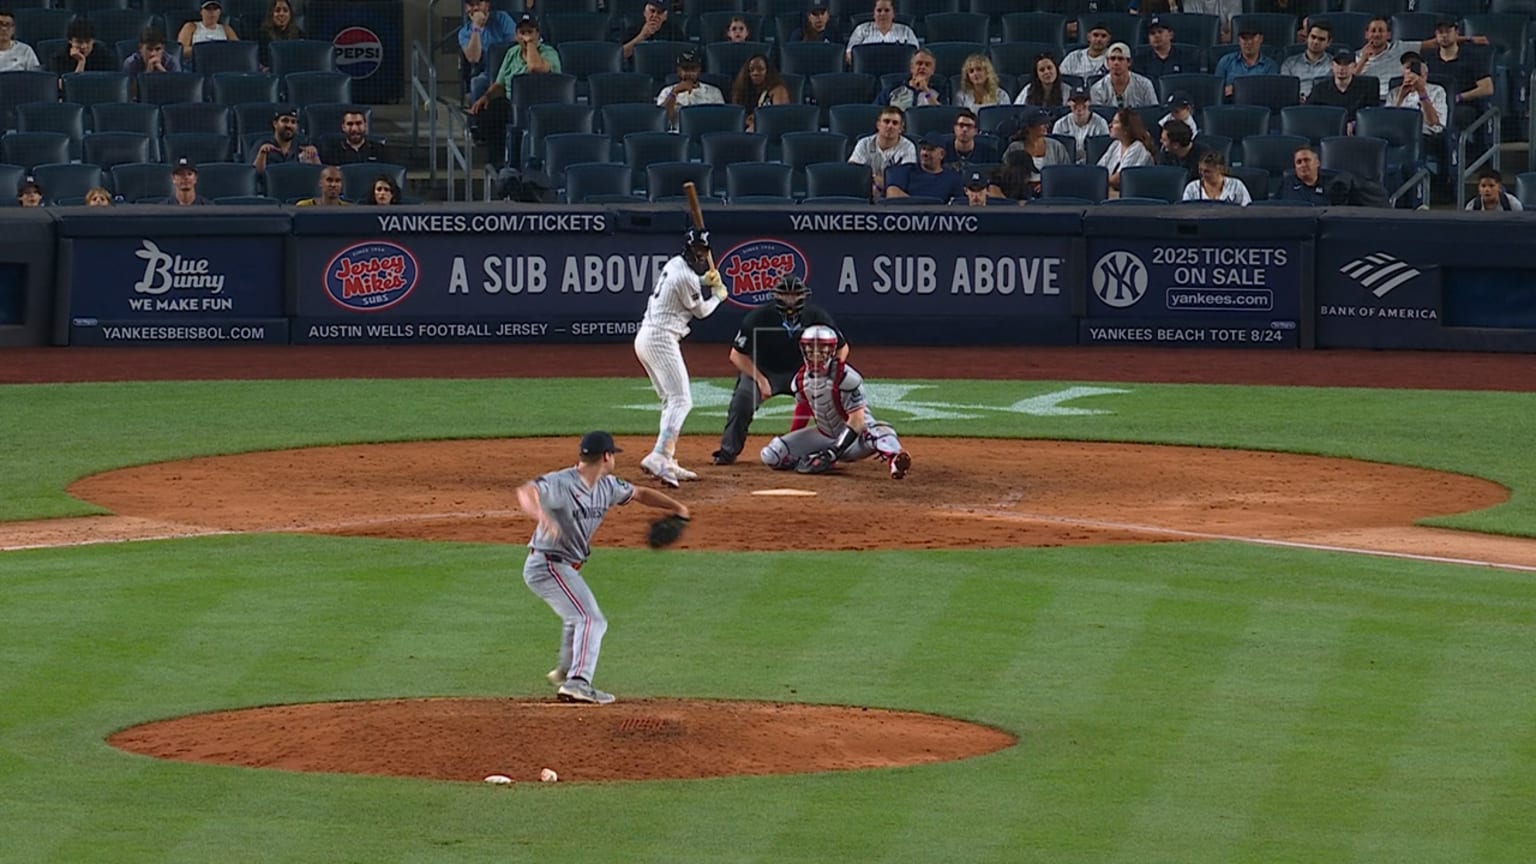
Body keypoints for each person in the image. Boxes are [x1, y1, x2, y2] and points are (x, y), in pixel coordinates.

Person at [516, 430, 689, 706]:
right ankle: (578, 682)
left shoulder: (607, 486)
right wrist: (542, 516)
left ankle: (565, 671)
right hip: (547, 565)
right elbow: (527, 492)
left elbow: (641, 493)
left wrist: (679, 507)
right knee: (591, 619)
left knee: (578, 616)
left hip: (563, 566)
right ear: (607, 456)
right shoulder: (562, 482)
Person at [711, 275, 846, 466]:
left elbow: (842, 346)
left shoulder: (816, 316)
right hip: (765, 370)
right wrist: (760, 379)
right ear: (776, 296)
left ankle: (837, 449)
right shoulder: (759, 316)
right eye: (785, 294)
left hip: (804, 371)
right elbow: (736, 354)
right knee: (743, 399)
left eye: (795, 294)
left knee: (827, 401)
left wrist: (830, 372)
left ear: (803, 296)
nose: (790, 300)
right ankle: (728, 451)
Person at [633, 228, 727, 487]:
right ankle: (660, 455)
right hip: (660, 339)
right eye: (697, 251)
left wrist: (704, 282)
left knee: (670, 400)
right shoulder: (685, 276)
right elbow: (702, 312)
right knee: (682, 400)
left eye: (703, 251)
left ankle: (667, 458)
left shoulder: (675, 263)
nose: (700, 255)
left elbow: (690, 281)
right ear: (689, 249)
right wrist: (718, 296)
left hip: (647, 337)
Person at [760, 325, 913, 481]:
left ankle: (894, 459)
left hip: (856, 441)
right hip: (824, 435)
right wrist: (794, 441)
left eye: (821, 348)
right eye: (810, 348)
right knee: (772, 454)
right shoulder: (799, 380)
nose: (816, 353)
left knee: (879, 431)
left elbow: (857, 422)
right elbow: (803, 409)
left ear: (832, 350)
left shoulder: (846, 378)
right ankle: (813, 459)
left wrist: (834, 451)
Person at [466, 13, 561, 170]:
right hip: (512, 103)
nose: (526, 37)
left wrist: (530, 45)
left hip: (540, 104)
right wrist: (486, 97)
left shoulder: (549, 52)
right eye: (522, 33)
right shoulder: (512, 53)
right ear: (516, 35)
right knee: (489, 110)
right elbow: (500, 83)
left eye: (530, 32)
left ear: (538, 34)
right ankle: (498, 164)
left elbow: (534, 67)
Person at [1425, 19, 1494, 130]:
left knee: (1450, 116)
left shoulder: (1472, 57)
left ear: (1456, 33)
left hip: (1462, 105)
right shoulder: (1429, 59)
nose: (1444, 35)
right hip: (1434, 104)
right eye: (1440, 32)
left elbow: (1487, 88)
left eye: (1448, 31)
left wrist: (1460, 97)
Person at [848, 105, 917, 199]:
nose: (890, 126)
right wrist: (876, 180)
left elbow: (907, 179)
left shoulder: (908, 147)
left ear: (901, 128)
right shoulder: (864, 143)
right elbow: (854, 171)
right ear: (878, 125)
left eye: (895, 123)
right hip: (866, 191)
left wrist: (882, 183)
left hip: (895, 194)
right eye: (886, 121)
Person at [1306, 47, 1381, 131]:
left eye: (1346, 64)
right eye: (1338, 63)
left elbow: (1373, 115)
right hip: (1327, 130)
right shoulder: (1320, 88)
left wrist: (1355, 124)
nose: (1341, 68)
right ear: (1332, 65)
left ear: (1354, 66)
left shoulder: (1368, 87)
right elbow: (1309, 113)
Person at [1003, 108, 1071, 197]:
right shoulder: (1015, 148)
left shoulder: (1056, 146)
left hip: (1052, 193)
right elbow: (1007, 175)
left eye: (1046, 123)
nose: (1046, 126)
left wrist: (1047, 185)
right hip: (1020, 194)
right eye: (1041, 123)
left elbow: (1066, 174)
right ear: (1029, 127)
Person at [459, 0, 516, 103]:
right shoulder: (464, 33)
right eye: (471, 5)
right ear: (466, 8)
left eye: (479, 4)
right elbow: (473, 58)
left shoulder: (502, 18)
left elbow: (515, 46)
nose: (475, 8)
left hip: (508, 69)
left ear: (487, 5)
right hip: (487, 74)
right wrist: (476, 28)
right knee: (477, 83)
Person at [656, 49, 723, 131]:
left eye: (693, 69)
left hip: (705, 133)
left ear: (699, 70)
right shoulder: (667, 91)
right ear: (678, 71)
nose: (689, 73)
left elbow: (720, 121)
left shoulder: (714, 92)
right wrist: (674, 93)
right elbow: (662, 121)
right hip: (678, 135)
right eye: (685, 69)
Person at [885, 133, 965, 202]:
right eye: (923, 149)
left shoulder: (953, 178)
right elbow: (892, 193)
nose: (925, 153)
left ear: (942, 154)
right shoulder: (906, 170)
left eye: (930, 149)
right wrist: (921, 211)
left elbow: (958, 206)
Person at [1388, 52, 1446, 142]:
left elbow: (1433, 122)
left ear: (1425, 75)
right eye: (1408, 70)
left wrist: (1422, 92)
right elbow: (1387, 121)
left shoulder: (1437, 91)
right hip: (1399, 134)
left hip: (1426, 135)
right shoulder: (1395, 92)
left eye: (1417, 73)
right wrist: (1400, 97)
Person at [844, 0, 919, 67]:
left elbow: (916, 54)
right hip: (868, 70)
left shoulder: (906, 31)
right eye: (879, 10)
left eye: (887, 10)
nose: (883, 14)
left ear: (893, 14)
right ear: (874, 14)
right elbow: (850, 54)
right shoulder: (861, 29)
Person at [1353, 15, 1410, 101]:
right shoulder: (1356, 56)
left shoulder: (1399, 48)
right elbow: (1350, 82)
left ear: (1388, 35)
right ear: (1366, 34)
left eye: (1381, 31)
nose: (1376, 34)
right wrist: (1363, 60)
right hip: (1367, 100)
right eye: (1373, 31)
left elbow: (1428, 45)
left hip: (1394, 99)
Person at [1099, 107, 1155, 194]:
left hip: (1134, 195)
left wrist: (1099, 180)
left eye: (1116, 122)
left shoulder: (1138, 147)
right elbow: (1099, 169)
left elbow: (1120, 179)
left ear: (1126, 129)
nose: (1110, 125)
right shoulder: (1115, 145)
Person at [731, 54, 790, 133]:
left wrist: (757, 119)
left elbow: (780, 116)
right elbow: (737, 117)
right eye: (751, 70)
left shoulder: (778, 90)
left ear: (768, 71)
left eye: (760, 69)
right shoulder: (742, 91)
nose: (755, 73)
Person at [1215, 24, 1279, 97]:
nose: (1249, 42)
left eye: (1252, 37)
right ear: (1239, 40)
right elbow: (1216, 92)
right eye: (1244, 38)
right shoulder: (1225, 62)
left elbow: (1270, 94)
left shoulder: (1270, 66)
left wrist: (1237, 89)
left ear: (1261, 39)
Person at [1091, 42, 1158, 108]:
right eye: (1112, 59)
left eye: (1120, 59)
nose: (1116, 63)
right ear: (1107, 63)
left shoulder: (1145, 85)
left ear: (1129, 62)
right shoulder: (1097, 89)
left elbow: (1153, 112)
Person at [251, 107, 319, 172]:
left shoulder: (303, 145)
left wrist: (315, 156)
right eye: (285, 121)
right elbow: (252, 174)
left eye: (293, 122)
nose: (289, 125)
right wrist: (262, 154)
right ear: (275, 124)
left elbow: (320, 175)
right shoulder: (261, 145)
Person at [1053, 86, 1109, 163]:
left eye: (1083, 101)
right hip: (1067, 167)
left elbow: (1105, 153)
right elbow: (1056, 153)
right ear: (1069, 103)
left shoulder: (1101, 123)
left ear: (1089, 102)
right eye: (1075, 101)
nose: (1079, 105)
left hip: (1092, 167)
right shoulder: (1060, 124)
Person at [1134, 16, 1199, 81]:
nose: (1156, 36)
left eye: (1160, 32)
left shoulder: (1186, 59)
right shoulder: (1140, 62)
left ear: (1171, 35)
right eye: (1152, 33)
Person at [1280, 21, 1333, 99]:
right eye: (1313, 37)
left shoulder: (1335, 65)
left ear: (1329, 42)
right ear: (1307, 38)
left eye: (1321, 39)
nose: (1316, 42)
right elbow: (1284, 89)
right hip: (1295, 105)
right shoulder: (1289, 63)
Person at [877, 48, 942, 110]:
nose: (922, 67)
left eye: (927, 65)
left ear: (933, 70)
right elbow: (876, 112)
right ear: (912, 67)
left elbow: (940, 114)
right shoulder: (893, 89)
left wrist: (926, 91)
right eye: (919, 63)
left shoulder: (938, 92)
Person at [622, 0, 687, 61]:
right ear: (645, 13)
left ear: (665, 17)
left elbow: (685, 56)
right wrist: (642, 36)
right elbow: (621, 55)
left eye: (659, 12)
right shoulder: (633, 29)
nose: (655, 15)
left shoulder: (675, 31)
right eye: (652, 11)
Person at [177, 0, 238, 65]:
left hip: (221, 63)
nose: (212, 12)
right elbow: (181, 51)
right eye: (208, 9)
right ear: (201, 11)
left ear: (219, 12)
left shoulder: (226, 29)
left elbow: (237, 49)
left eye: (215, 9)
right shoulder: (190, 27)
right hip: (197, 63)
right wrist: (206, 49)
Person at [1182, 150, 1252, 204]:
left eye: (1207, 171)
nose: (1202, 174)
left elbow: (1247, 210)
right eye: (1200, 170)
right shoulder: (1191, 188)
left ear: (1220, 169)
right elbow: (1185, 212)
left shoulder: (1236, 185)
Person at [942, 107, 999, 172]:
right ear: (954, 128)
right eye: (961, 125)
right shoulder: (942, 150)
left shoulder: (989, 153)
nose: (964, 129)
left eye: (969, 126)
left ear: (976, 131)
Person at [320, 110, 385, 165]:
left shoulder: (380, 149)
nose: (354, 129)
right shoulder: (333, 152)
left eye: (358, 123)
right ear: (343, 127)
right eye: (350, 124)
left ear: (365, 126)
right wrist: (313, 155)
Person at [257, 0, 303, 69]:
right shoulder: (262, 35)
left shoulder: (299, 33)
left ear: (290, 14)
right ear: (271, 14)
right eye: (277, 11)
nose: (281, 14)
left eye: (285, 10)